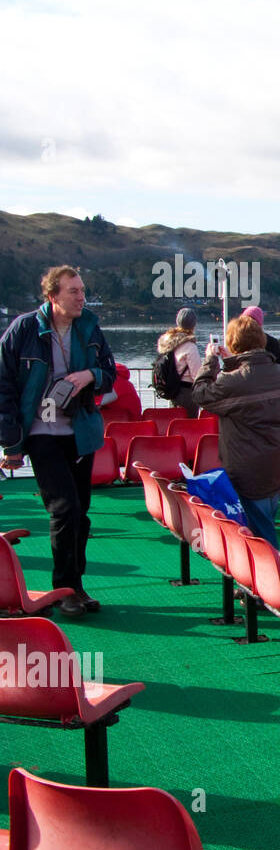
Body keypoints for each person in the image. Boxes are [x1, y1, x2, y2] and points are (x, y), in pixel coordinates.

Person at [0, 265, 115, 618]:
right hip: (40, 434)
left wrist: (89, 375)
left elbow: (109, 374)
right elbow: (3, 387)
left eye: (82, 290)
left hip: (79, 433)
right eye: (74, 291)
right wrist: (12, 444)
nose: (82, 297)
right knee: (63, 508)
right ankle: (63, 588)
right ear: (53, 296)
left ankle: (76, 586)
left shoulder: (90, 327)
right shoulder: (23, 330)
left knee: (80, 512)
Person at [190, 315, 280, 548]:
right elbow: (247, 385)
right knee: (265, 521)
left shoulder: (232, 382)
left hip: (247, 466)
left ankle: (269, 579)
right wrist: (231, 364)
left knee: (258, 536)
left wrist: (210, 361)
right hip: (276, 462)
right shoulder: (279, 373)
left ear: (234, 344)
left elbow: (200, 394)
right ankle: (266, 576)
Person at [156, 307, 202, 417]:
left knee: (176, 424)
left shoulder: (169, 343)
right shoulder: (189, 346)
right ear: (193, 324)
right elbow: (197, 375)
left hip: (173, 391)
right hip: (187, 394)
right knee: (189, 427)